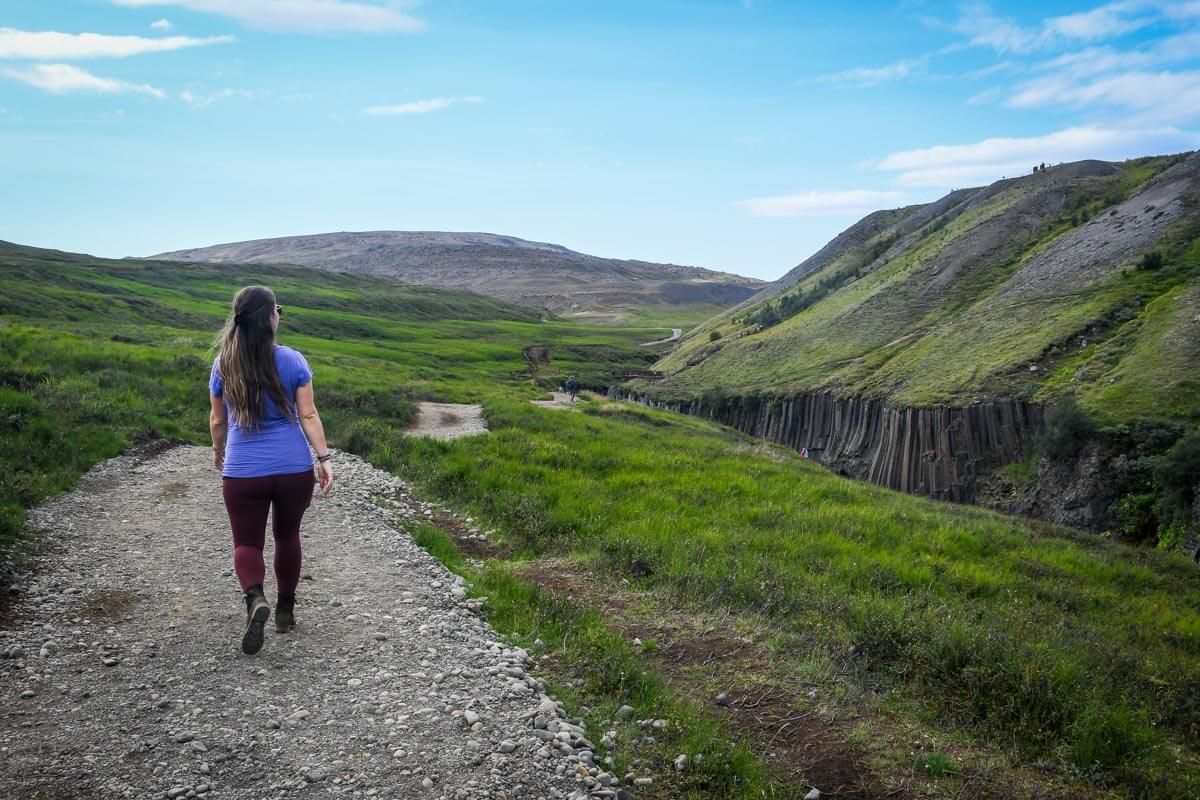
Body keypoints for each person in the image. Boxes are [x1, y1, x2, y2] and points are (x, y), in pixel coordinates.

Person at [209, 286, 333, 655]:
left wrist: (219, 450)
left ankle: (255, 599)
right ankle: (285, 612)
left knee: (247, 543)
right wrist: (324, 459)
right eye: (277, 308)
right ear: (269, 317)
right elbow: (308, 415)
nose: (280, 313)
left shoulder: (223, 364)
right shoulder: (293, 360)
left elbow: (218, 419)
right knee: (287, 536)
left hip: (244, 470)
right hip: (293, 469)